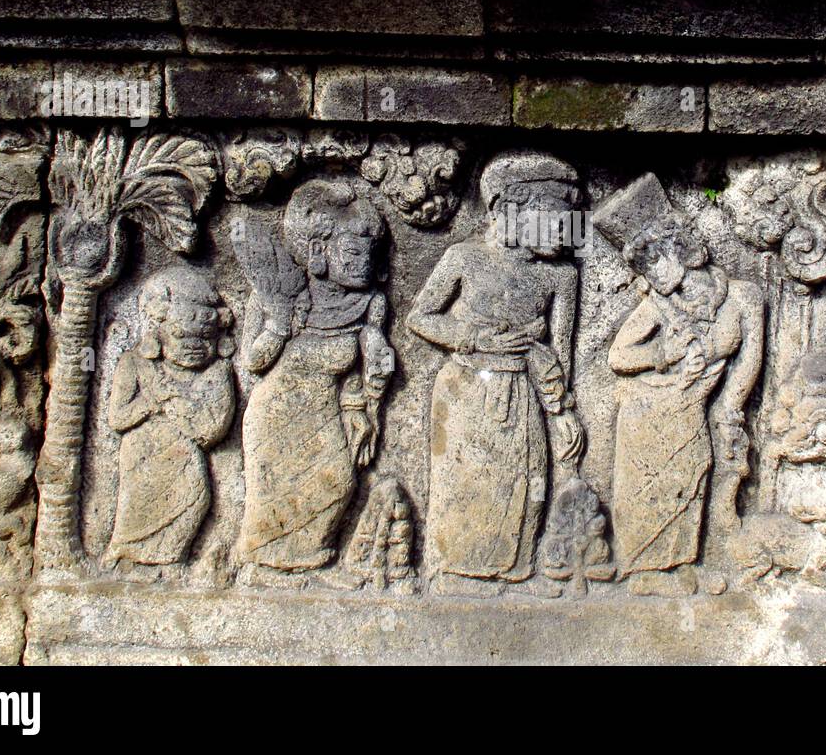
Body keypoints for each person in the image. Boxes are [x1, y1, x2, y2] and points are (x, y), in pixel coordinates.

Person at [407, 151, 584, 596]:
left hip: (523, 390)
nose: (565, 229)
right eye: (554, 217)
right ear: (511, 210)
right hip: (465, 389)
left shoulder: (560, 277)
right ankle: (455, 574)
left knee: (527, 483)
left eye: (569, 219)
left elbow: (558, 352)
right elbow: (420, 317)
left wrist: (561, 411)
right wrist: (475, 338)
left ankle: (516, 571)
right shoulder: (465, 258)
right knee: (465, 483)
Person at [592, 174, 764, 596]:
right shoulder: (658, 306)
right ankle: (644, 573)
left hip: (692, 408)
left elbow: (749, 361)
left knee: (692, 472)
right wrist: (663, 354)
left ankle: (680, 565)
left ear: (677, 247)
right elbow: (618, 356)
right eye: (641, 265)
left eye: (652, 259)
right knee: (648, 486)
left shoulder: (741, 297)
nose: (648, 273)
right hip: (647, 407)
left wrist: (731, 406)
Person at [235, 180, 394, 583]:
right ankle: (263, 569)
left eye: (370, 253)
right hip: (277, 411)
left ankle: (310, 562)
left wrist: (362, 407)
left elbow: (359, 373)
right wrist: (278, 323)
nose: (364, 262)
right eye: (353, 252)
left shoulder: (370, 305)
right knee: (275, 496)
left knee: (338, 484)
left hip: (325, 409)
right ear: (319, 250)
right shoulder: (278, 295)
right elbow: (252, 362)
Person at [104, 266, 236, 568]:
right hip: (143, 457)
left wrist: (176, 404)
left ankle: (170, 564)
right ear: (158, 330)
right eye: (180, 335)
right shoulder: (135, 363)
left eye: (204, 337)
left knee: (194, 499)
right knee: (136, 511)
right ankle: (125, 558)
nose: (193, 346)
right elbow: (118, 418)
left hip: (185, 458)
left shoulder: (217, 372)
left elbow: (212, 430)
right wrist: (154, 402)